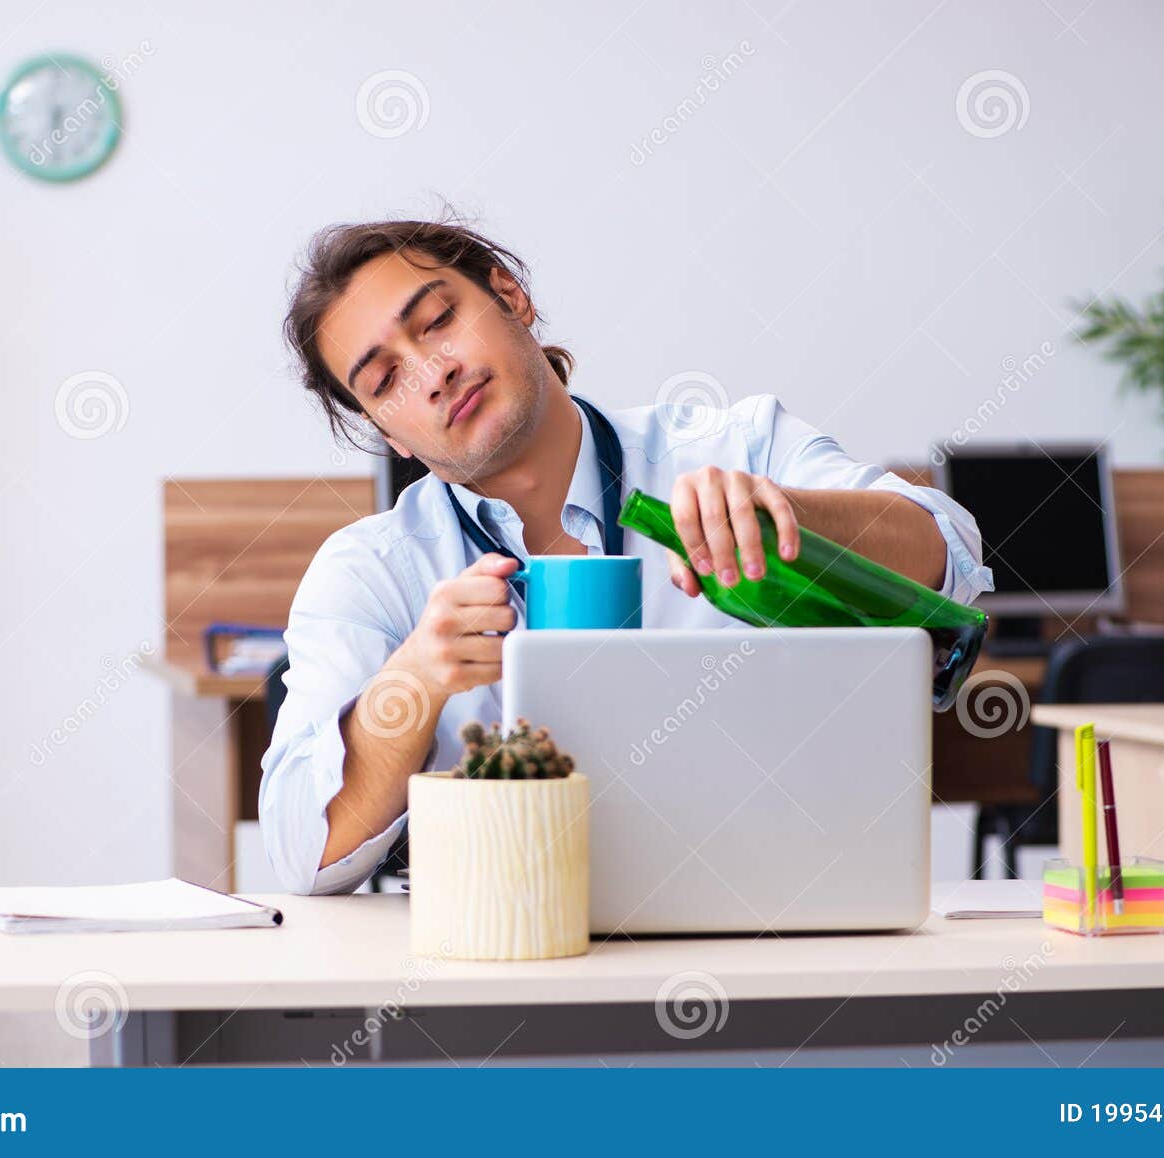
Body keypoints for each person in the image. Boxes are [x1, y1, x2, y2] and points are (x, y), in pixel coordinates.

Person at [261, 216, 993, 895]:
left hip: (786, 928)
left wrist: (786, 515)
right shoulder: (371, 572)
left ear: (510, 295)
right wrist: (412, 684)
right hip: (509, 966)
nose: (432, 373)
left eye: (438, 321)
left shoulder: (740, 447)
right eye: (385, 381)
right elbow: (300, 853)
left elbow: (950, 556)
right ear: (389, 432)